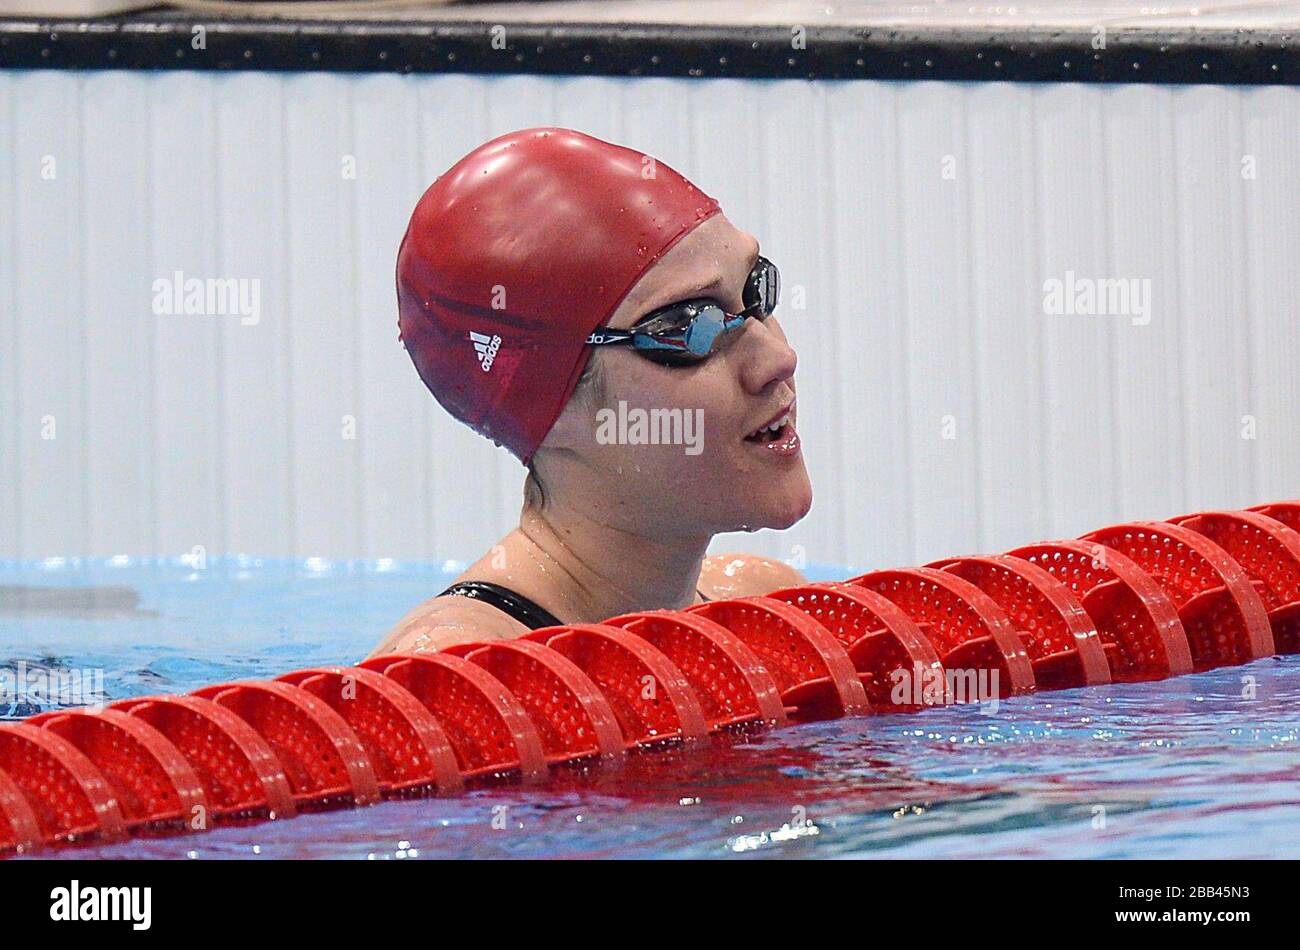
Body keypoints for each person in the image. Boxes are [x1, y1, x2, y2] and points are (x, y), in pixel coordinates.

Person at [369, 127, 811, 656]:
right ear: (549, 411)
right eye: (688, 326)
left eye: (755, 289)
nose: (778, 359)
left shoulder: (764, 603)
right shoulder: (458, 672)